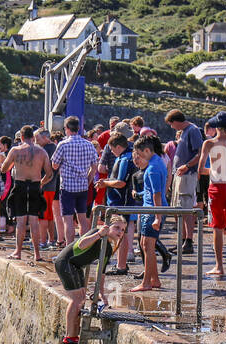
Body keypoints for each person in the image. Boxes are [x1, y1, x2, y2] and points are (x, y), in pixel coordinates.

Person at [55, 212, 127, 344]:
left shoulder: (108, 249)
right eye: (117, 227)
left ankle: (74, 333)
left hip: (76, 267)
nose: (120, 231)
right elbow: (81, 244)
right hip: (66, 262)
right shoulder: (96, 233)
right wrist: (99, 234)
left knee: (81, 300)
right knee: (77, 300)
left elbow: (101, 272)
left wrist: (101, 293)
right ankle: (69, 336)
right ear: (107, 226)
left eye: (122, 230)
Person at [199, 111, 226, 277]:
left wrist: (213, 169)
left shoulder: (209, 143)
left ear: (215, 126)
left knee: (217, 227)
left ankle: (219, 265)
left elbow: (201, 169)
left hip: (216, 187)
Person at [0, 125, 52, 261]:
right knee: (34, 221)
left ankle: (18, 252)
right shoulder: (41, 152)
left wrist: (13, 165)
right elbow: (50, 173)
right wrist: (41, 182)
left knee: (21, 221)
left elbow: (3, 169)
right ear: (33, 137)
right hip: (35, 185)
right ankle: (37, 254)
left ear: (21, 137)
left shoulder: (15, 150)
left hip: (20, 185)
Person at [128, 136, 170, 292]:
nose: (138, 157)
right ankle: (155, 279)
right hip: (151, 209)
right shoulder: (158, 162)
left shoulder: (152, 168)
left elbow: (157, 194)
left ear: (147, 150)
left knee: (148, 246)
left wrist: (158, 217)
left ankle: (146, 282)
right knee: (146, 245)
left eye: (139, 153)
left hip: (152, 210)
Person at [51, 116, 96, 242]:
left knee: (68, 220)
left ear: (66, 128)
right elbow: (94, 167)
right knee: (82, 218)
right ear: (78, 128)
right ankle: (84, 247)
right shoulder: (88, 145)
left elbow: (54, 165)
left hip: (67, 187)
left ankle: (69, 250)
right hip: (83, 186)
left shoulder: (63, 144)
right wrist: (88, 181)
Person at [166, 110, 204, 253]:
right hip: (181, 174)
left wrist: (187, 165)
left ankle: (188, 241)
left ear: (177, 121)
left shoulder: (192, 130)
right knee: (179, 208)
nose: (171, 127)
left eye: (171, 124)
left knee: (186, 208)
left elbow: (199, 153)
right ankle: (182, 241)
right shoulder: (185, 131)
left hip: (187, 175)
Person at [101, 131, 136, 275]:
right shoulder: (125, 157)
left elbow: (121, 182)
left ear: (116, 147)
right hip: (121, 201)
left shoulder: (125, 159)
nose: (112, 152)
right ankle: (121, 263)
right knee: (122, 232)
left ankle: (121, 265)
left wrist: (105, 183)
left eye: (111, 149)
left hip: (122, 202)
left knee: (120, 233)